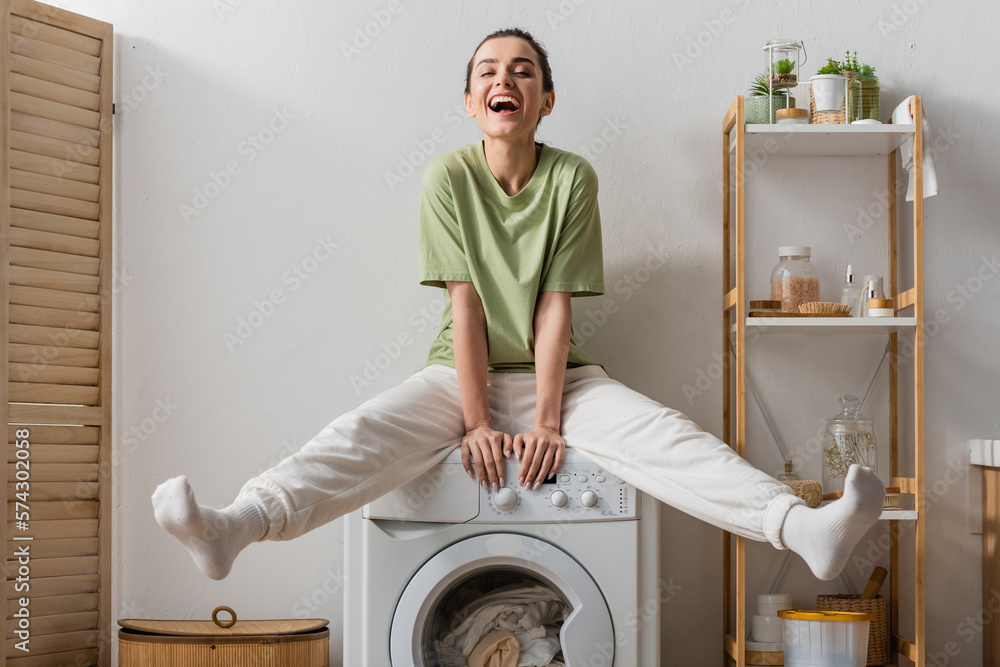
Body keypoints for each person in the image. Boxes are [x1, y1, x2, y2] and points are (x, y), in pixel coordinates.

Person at [152, 28, 884, 583]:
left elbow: (554, 310)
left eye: (523, 71)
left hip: (557, 377)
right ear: (472, 102)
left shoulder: (573, 178)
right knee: (358, 434)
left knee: (669, 436)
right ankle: (234, 525)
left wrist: (544, 419)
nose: (506, 80)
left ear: (546, 100)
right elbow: (464, 308)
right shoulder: (447, 177)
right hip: (454, 376)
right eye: (488, 73)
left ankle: (800, 526)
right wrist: (475, 421)